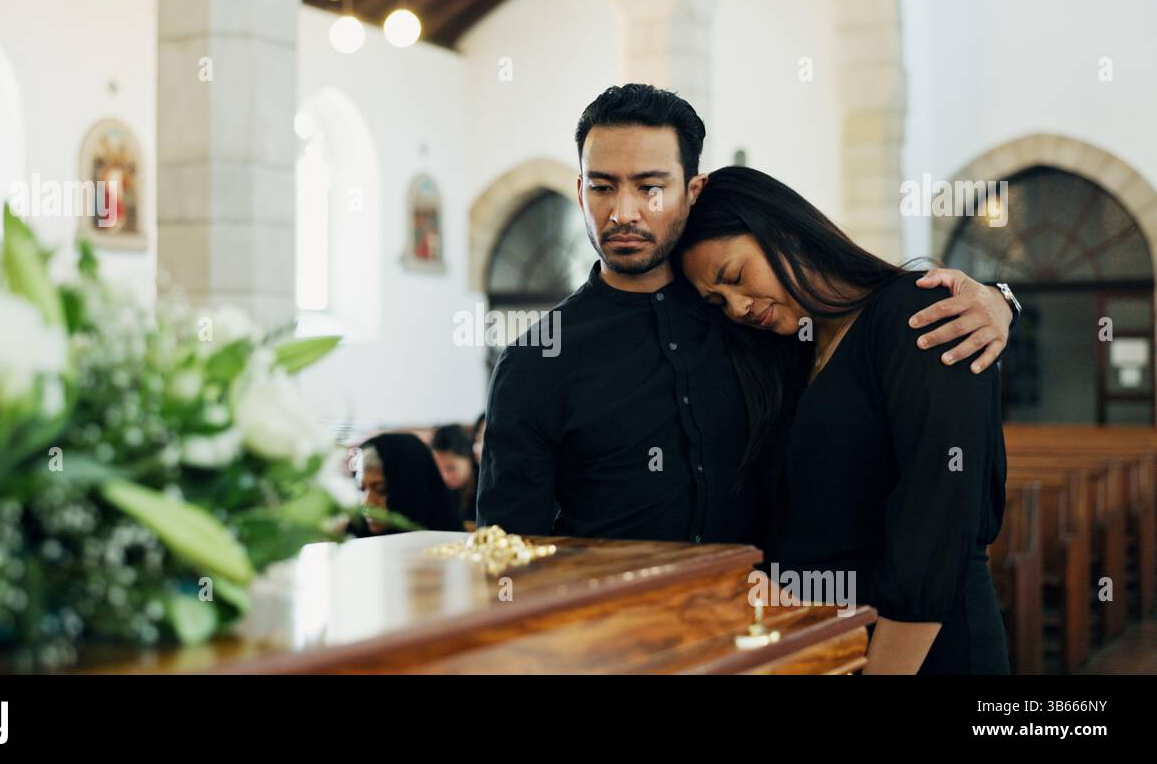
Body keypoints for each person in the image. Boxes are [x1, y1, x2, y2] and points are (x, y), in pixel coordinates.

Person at [476, 83, 1018, 545]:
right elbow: (510, 550)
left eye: (650, 187)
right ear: (580, 192)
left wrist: (1000, 300)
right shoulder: (535, 361)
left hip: (774, 619)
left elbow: (869, 314)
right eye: (602, 187)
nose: (623, 212)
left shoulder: (762, 316)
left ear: (692, 191)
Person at [672, 165, 1009, 674]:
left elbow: (937, 523)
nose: (737, 307)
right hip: (828, 648)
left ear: (784, 231)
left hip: (920, 652)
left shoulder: (916, 313)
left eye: (736, 277)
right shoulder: (793, 355)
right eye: (719, 302)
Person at [352, 433, 464, 537]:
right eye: (361, 489)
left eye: (381, 489)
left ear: (412, 490)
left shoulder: (452, 542)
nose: (367, 504)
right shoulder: (351, 539)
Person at [430, 424, 479, 523]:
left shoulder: (487, 486)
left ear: (469, 457)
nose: (444, 477)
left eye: (450, 468)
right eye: (439, 469)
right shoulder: (438, 487)